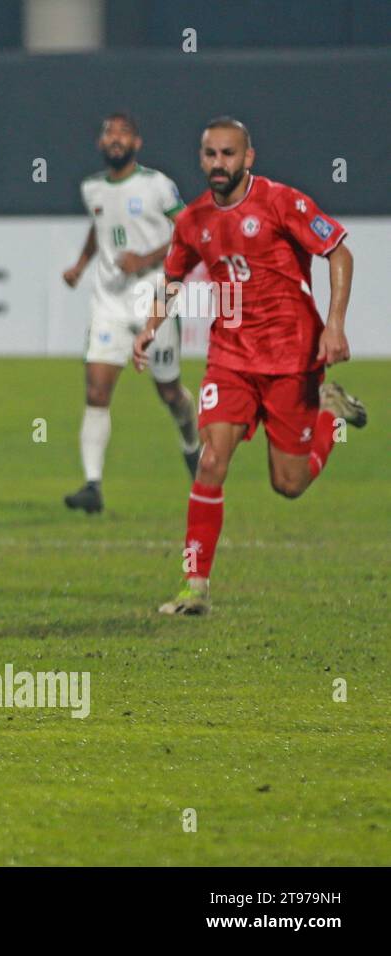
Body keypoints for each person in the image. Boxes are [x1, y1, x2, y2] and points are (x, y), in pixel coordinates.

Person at [133, 117, 364, 615]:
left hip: (292, 361)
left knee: (289, 485)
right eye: (210, 154)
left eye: (228, 154)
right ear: (201, 158)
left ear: (248, 158)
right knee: (211, 460)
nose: (219, 164)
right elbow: (173, 277)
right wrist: (150, 327)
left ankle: (329, 413)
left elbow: (339, 252)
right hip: (231, 360)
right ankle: (195, 586)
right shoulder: (193, 220)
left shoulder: (282, 202)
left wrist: (335, 325)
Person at [62, 112, 200, 514]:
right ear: (101, 143)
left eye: (124, 133)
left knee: (170, 392)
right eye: (109, 133)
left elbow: (188, 230)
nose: (115, 138)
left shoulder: (156, 185)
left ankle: (193, 449)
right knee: (96, 391)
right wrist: (81, 264)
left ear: (137, 143)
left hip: (154, 301)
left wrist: (147, 258)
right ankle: (92, 486)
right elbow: (99, 228)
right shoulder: (92, 189)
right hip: (108, 303)